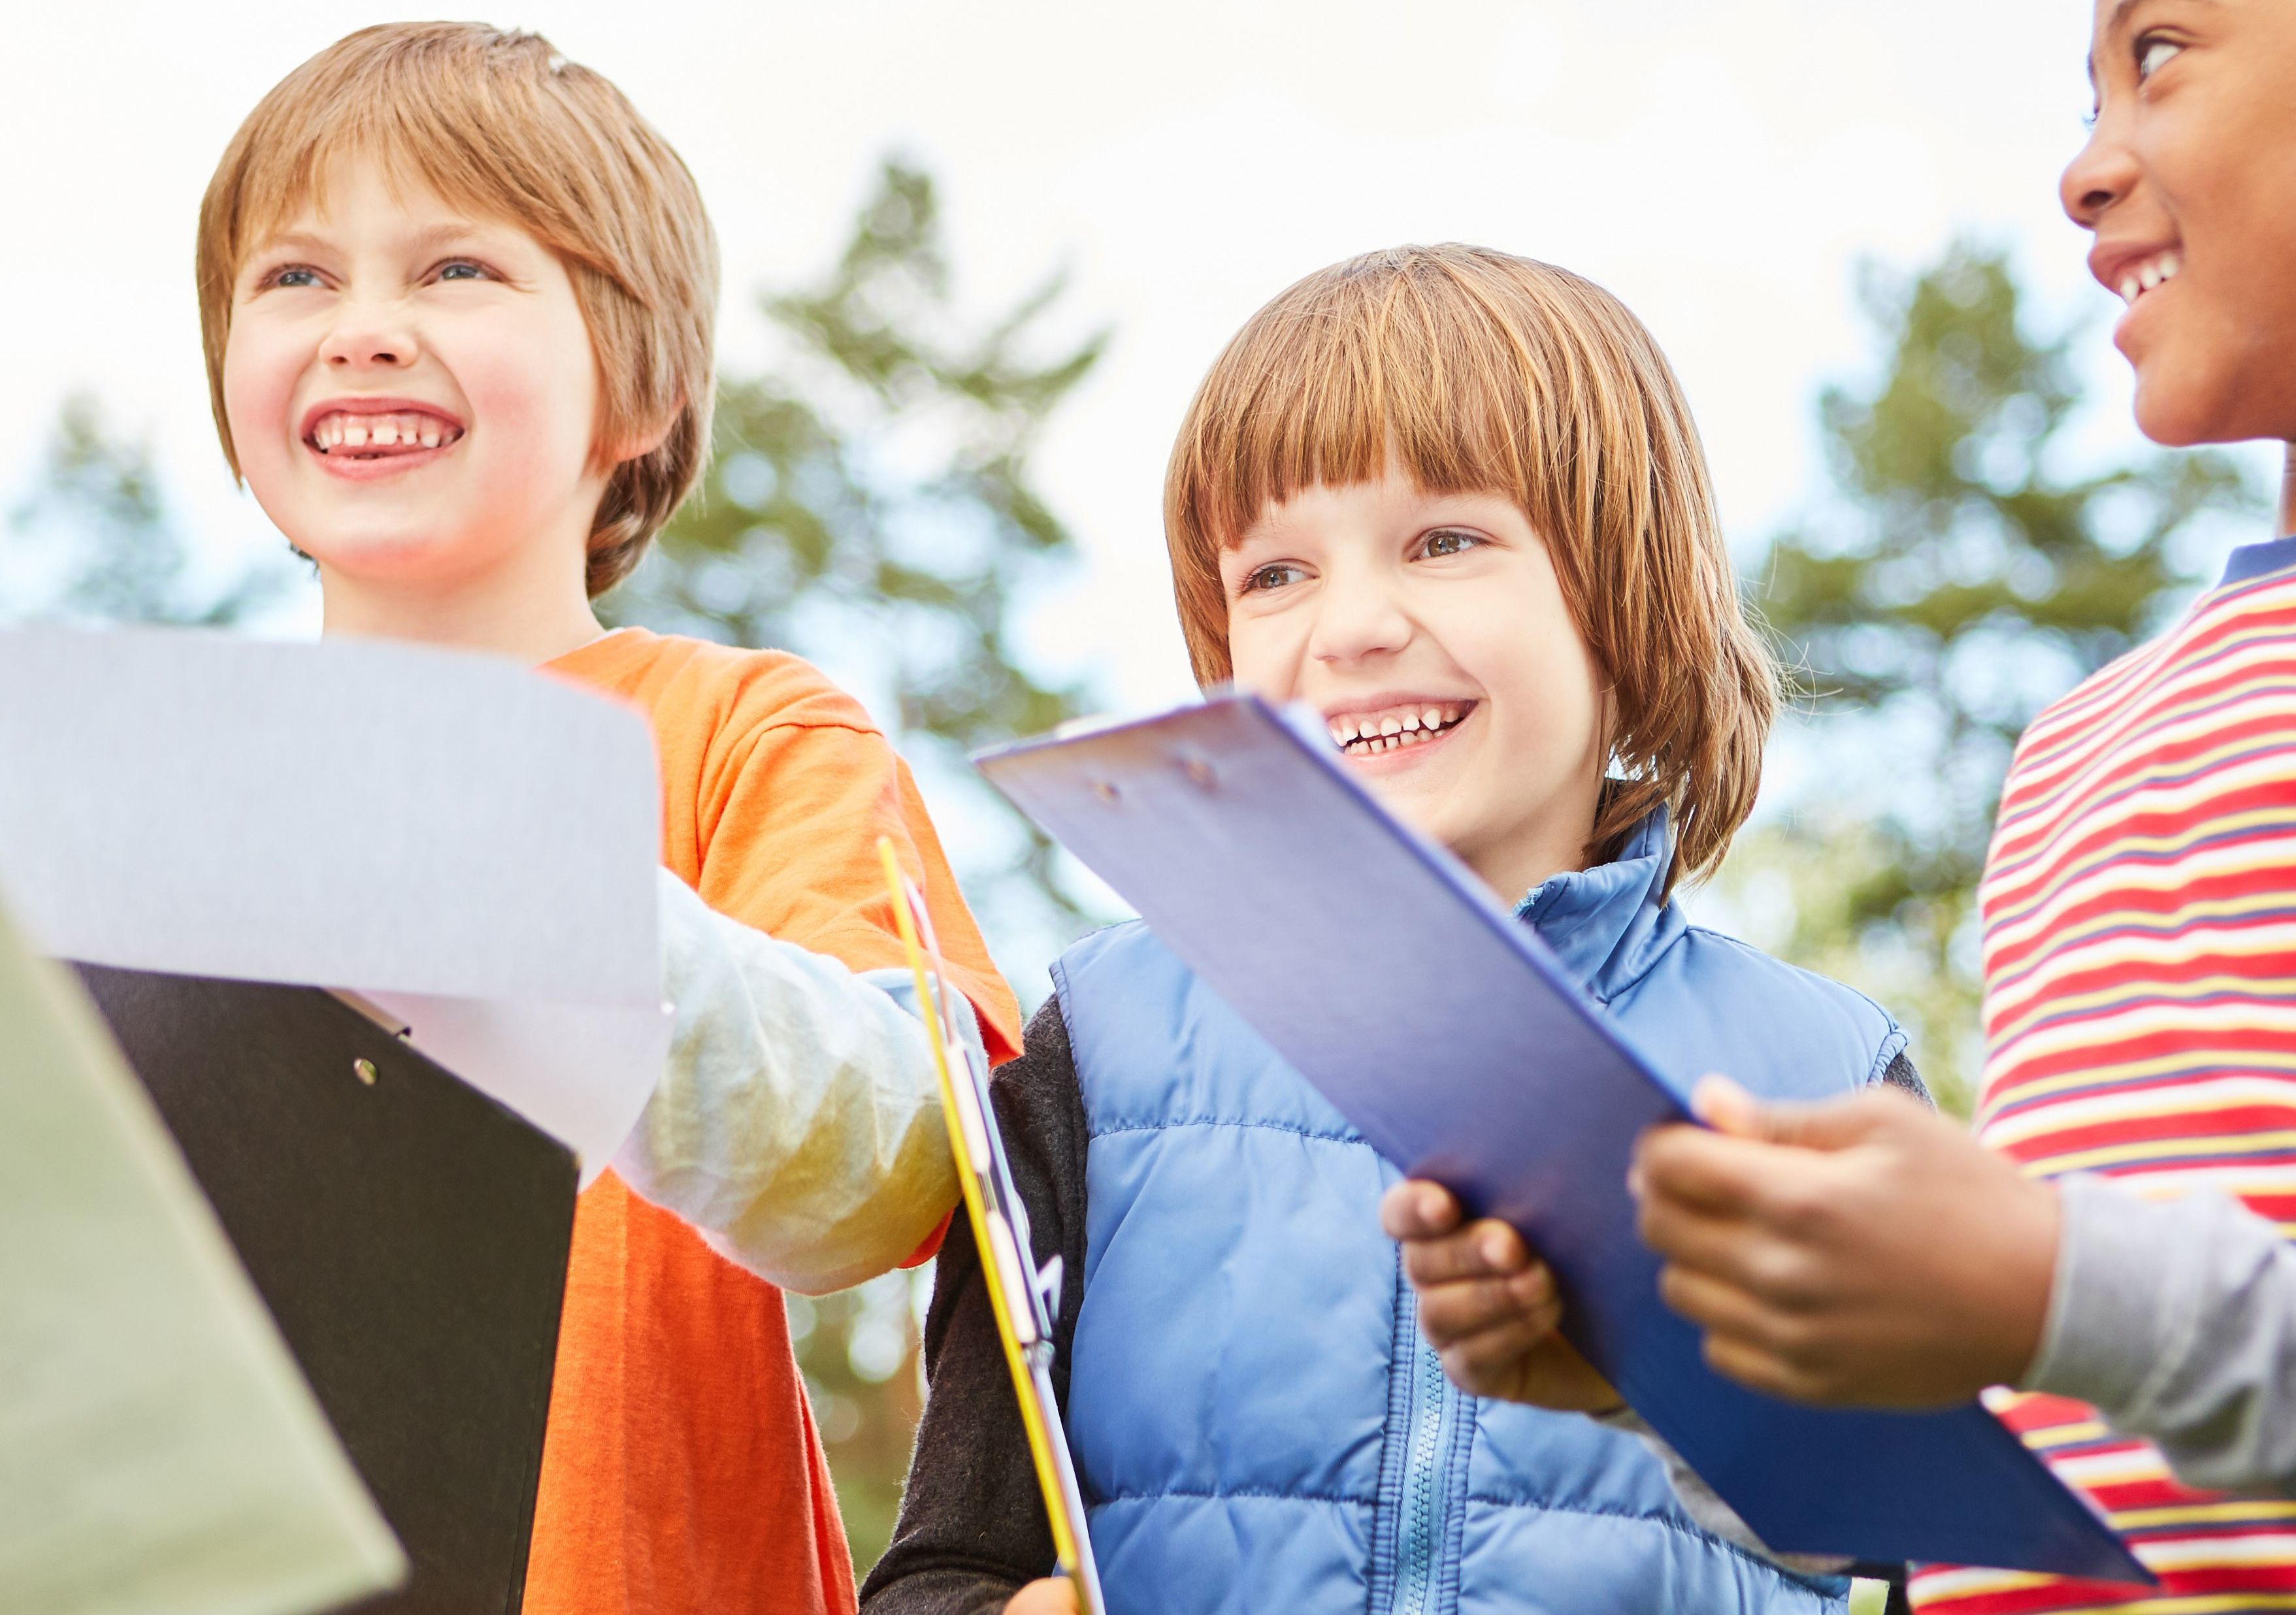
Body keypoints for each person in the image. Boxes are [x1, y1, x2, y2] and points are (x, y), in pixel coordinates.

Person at [1392, 1, 2296, 1609]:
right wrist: (1668, 1363)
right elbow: (2029, 1449)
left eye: (2157, 55)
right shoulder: (2082, 741)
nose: (2082, 169)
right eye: (2081, 92)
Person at [859, 244, 1921, 1615]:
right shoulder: (1096, 1053)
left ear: (1623, 590)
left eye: (1444, 540)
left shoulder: (1828, 1086)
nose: (1351, 626)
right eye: (1274, 575)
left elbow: (1948, 1559)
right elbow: (945, 1566)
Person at [198, 26, 1017, 1614]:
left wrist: (518, 889)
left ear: (634, 387)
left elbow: (917, 1161)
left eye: (453, 270)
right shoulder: (147, 802)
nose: (362, 328)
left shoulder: (748, 738)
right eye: (294, 279)